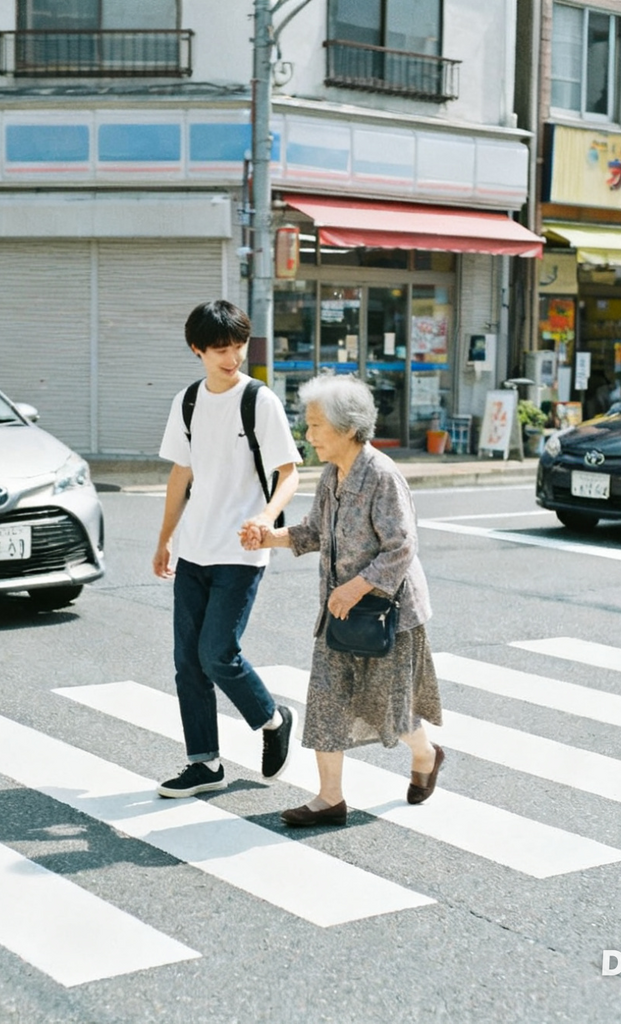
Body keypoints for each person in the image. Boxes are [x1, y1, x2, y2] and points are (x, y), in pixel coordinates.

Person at [241, 373, 444, 826]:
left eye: (316, 427)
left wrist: (356, 587)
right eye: (308, 426)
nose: (308, 436)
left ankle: (427, 755)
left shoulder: (382, 476)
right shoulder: (332, 474)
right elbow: (313, 531)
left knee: (389, 708)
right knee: (327, 701)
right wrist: (267, 538)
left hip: (386, 615)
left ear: (349, 428)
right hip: (338, 613)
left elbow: (402, 546)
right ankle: (329, 798)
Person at [153, 299, 302, 798]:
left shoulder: (260, 401)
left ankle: (273, 718)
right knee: (187, 661)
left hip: (242, 551)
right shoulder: (188, 401)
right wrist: (164, 539)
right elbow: (180, 473)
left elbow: (289, 472)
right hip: (194, 548)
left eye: (239, 346)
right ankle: (204, 763)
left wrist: (265, 515)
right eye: (220, 348)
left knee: (217, 652)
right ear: (197, 349)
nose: (232, 356)